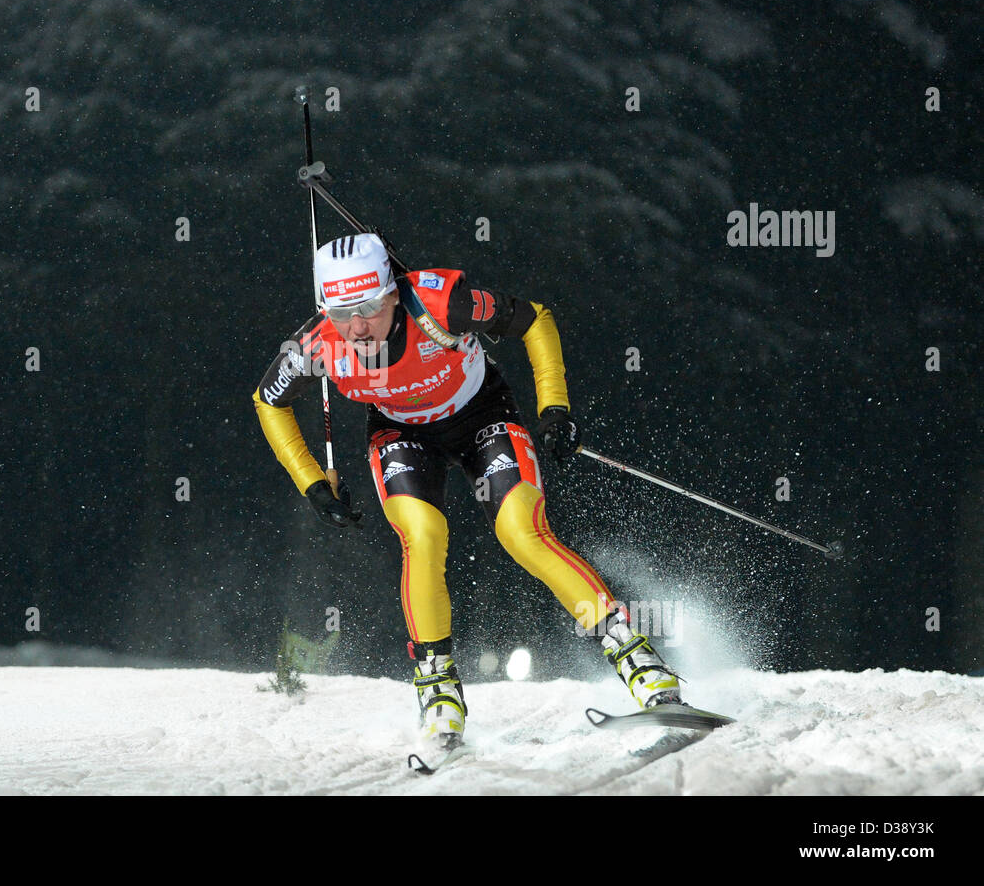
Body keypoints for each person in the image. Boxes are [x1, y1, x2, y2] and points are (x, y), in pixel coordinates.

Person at [252, 232, 682, 749]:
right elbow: (267, 401)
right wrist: (313, 483)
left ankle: (638, 660)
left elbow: (535, 319)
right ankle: (438, 689)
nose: (357, 326)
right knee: (423, 535)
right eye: (341, 311)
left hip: (482, 415)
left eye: (367, 306)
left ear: (392, 293)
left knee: (522, 532)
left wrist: (555, 407)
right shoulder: (317, 346)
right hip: (402, 434)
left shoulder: (439, 303)